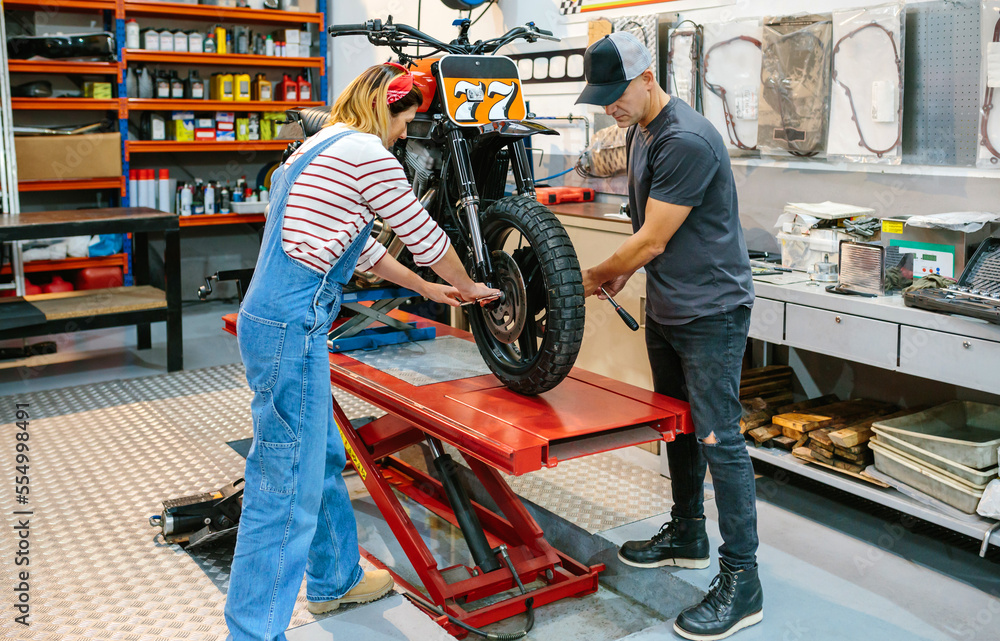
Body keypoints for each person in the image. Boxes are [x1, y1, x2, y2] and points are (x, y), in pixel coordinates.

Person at [225, 62, 499, 641]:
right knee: (283, 484)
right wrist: (471, 286)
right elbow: (424, 233)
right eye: (407, 121)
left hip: (276, 319)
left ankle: (335, 579)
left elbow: (362, 246)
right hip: (292, 326)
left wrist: (427, 288)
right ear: (387, 108)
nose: (406, 134)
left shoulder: (318, 146)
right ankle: (251, 632)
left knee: (318, 458)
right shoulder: (368, 152)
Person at [575, 33, 761, 641]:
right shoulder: (643, 130)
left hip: (711, 310)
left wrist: (593, 277)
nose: (609, 107)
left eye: (616, 94)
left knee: (718, 437)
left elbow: (653, 238)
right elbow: (652, 235)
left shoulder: (684, 138)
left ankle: (743, 580)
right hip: (673, 302)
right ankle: (687, 532)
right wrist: (623, 272)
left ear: (648, 77)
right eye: (601, 98)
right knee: (677, 421)